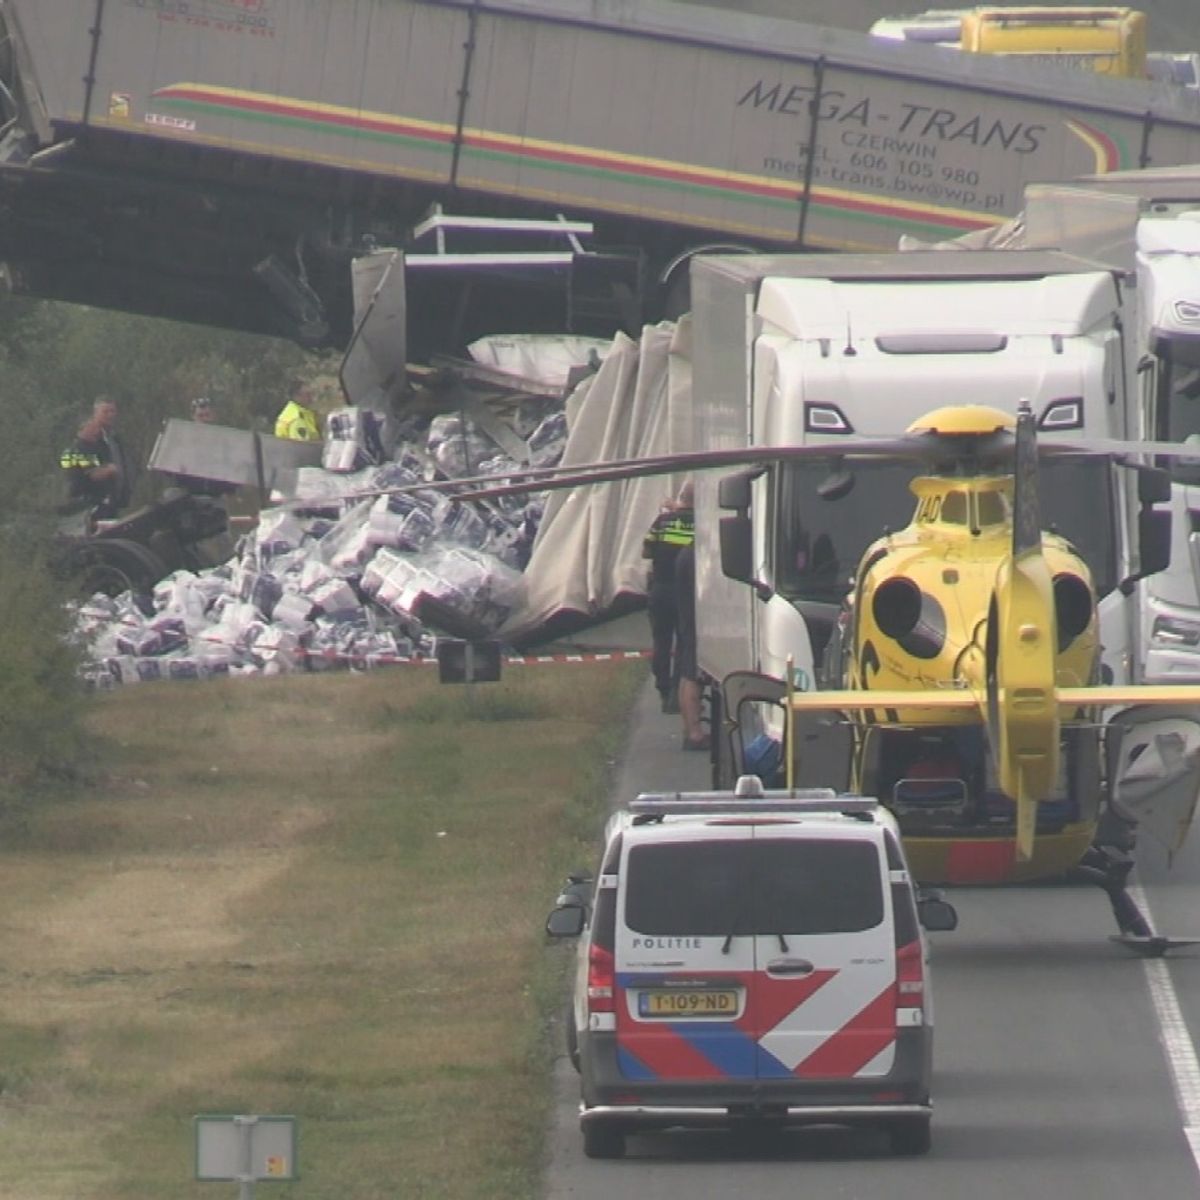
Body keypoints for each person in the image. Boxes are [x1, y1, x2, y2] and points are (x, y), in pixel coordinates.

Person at [642, 481, 695, 713]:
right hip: (687, 592)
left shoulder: (662, 522)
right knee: (685, 642)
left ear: (680, 497)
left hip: (661, 589)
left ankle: (662, 689)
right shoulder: (700, 523)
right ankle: (677, 692)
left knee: (661, 641)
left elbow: (646, 551)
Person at [59, 394, 130, 520]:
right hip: (87, 505)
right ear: (81, 429)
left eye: (112, 411)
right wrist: (110, 469)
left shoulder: (109, 441)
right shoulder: (78, 449)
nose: (96, 431)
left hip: (106, 502)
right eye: (92, 427)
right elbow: (92, 473)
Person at [674, 540, 709, 752]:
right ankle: (694, 734)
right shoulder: (696, 556)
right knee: (692, 674)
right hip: (697, 620)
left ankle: (689, 729)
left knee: (688, 671)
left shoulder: (688, 553)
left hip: (689, 618)